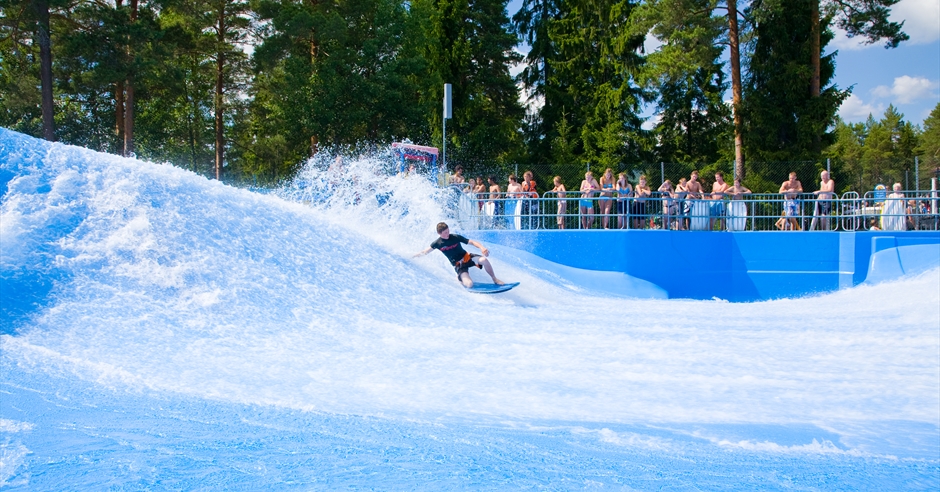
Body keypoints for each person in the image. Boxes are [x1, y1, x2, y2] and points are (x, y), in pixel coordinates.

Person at [414, 222, 503, 288]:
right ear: (439, 233)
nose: (447, 234)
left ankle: (494, 279)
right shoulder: (438, 243)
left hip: (467, 257)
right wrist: (412, 256)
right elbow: (425, 252)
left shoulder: (455, 237)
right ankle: (459, 278)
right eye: (445, 233)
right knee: (469, 284)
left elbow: (471, 242)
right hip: (458, 264)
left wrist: (482, 248)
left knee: (484, 260)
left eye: (448, 231)